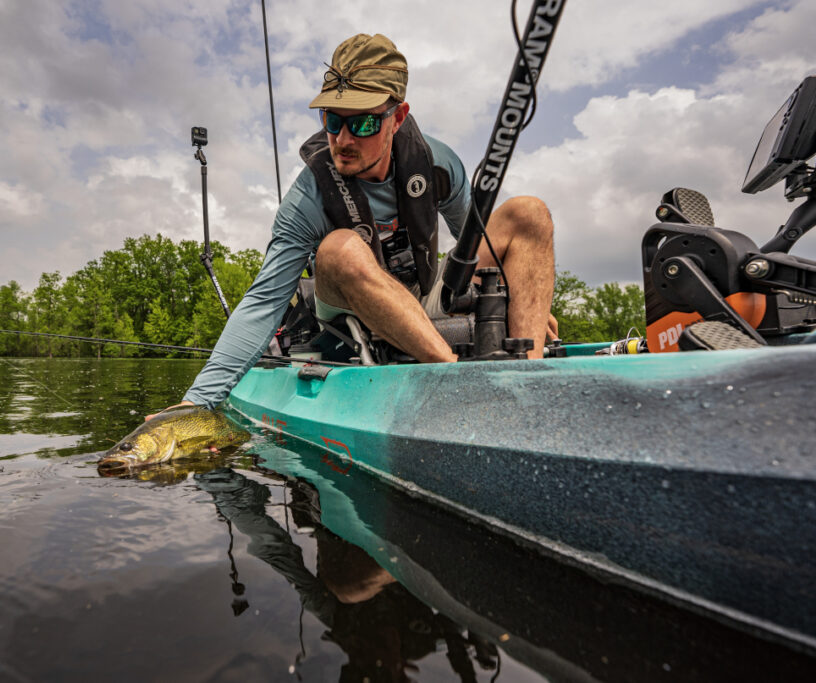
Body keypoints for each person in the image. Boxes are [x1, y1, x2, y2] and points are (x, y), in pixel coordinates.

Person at [160, 33, 555, 414]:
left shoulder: (439, 164)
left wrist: (525, 298)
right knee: (342, 248)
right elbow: (263, 303)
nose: (344, 139)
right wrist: (196, 404)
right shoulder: (307, 197)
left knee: (528, 213)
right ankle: (451, 378)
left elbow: (475, 242)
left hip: (422, 298)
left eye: (363, 124)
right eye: (332, 120)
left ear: (397, 117)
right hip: (349, 316)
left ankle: (532, 381)